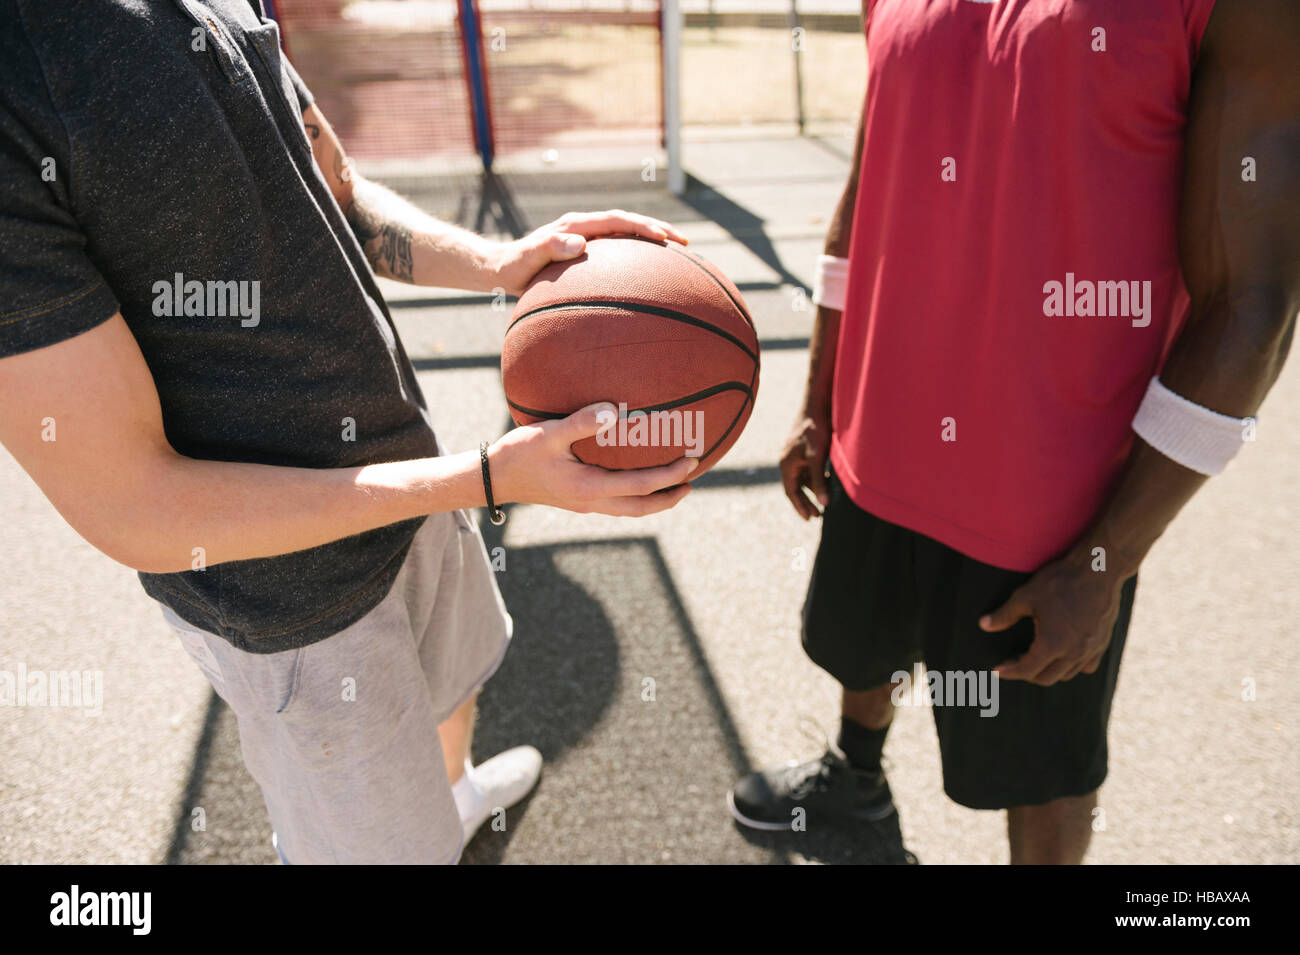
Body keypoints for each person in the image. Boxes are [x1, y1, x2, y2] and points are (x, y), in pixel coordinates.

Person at [0, 0, 693, 864]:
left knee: (452, 688)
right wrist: (481, 478)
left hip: (406, 471)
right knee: (372, 848)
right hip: (290, 600)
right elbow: (133, 504)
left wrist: (497, 264)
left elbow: (335, 193)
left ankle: (456, 799)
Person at [729, 0, 1300, 863]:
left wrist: (1105, 558)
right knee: (861, 644)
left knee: (1043, 771)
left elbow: (1251, 302)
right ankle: (857, 784)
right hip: (878, 437)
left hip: (1048, 506)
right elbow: (874, 171)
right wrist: (821, 396)